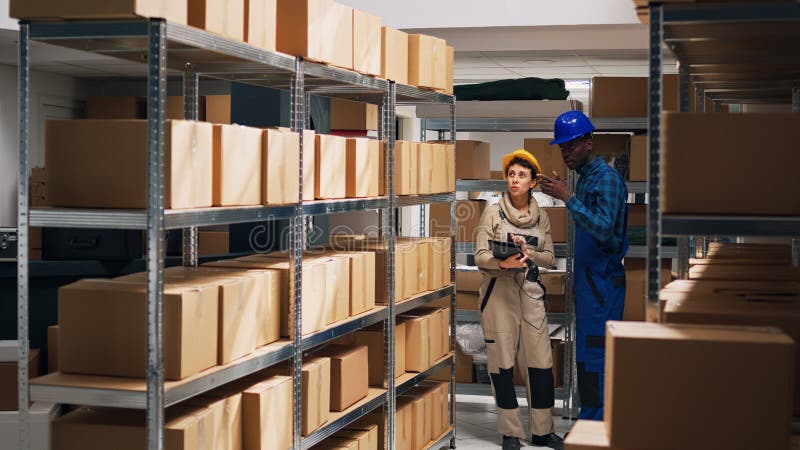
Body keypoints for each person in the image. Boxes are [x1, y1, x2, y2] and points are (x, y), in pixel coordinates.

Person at [538, 110, 628, 421]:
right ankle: (589, 420)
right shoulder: (587, 179)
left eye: (571, 146)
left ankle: (596, 426)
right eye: (562, 148)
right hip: (590, 283)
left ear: (589, 143)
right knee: (586, 357)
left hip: (603, 283)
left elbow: (604, 228)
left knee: (596, 356)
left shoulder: (607, 180)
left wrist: (568, 198)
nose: (566, 153)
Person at [474, 149, 564, 450]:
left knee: (540, 364)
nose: (515, 180)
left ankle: (543, 430)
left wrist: (528, 253)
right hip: (499, 297)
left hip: (531, 295)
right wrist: (503, 264)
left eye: (521, 175)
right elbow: (480, 256)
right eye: (511, 174)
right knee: (502, 366)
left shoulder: (542, 217)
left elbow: (550, 258)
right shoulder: (492, 212)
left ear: (532, 183)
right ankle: (510, 432)